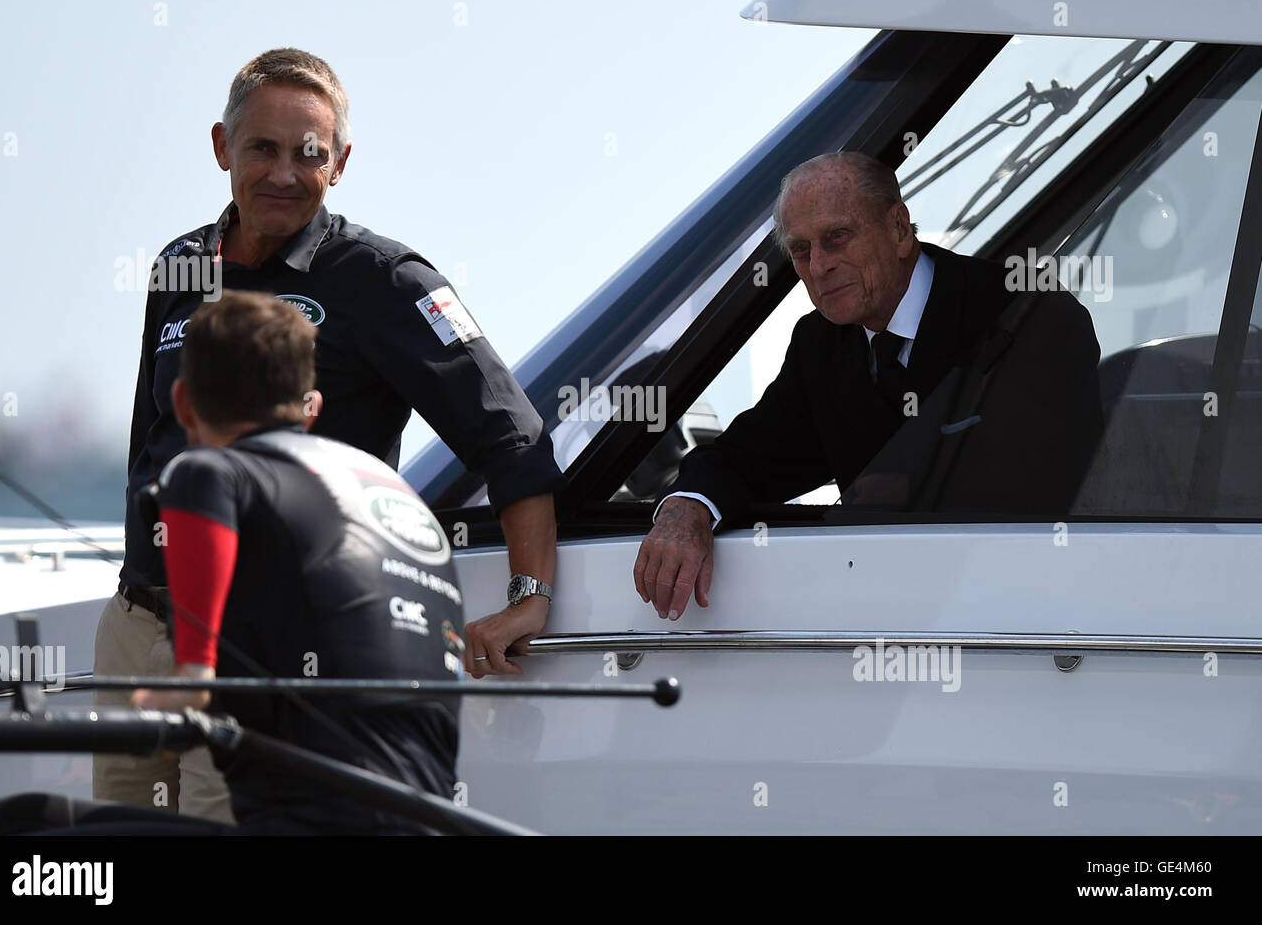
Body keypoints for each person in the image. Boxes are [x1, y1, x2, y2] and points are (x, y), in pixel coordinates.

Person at [96, 48, 561, 821]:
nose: (284, 172)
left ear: (340, 162)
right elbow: (153, 440)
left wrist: (529, 594)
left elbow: (511, 436)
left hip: (271, 649)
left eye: (309, 153)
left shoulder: (384, 278)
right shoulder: (178, 265)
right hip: (137, 624)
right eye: (263, 149)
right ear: (222, 148)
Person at [0, 291, 467, 835]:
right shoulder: (400, 498)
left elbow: (193, 672)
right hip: (430, 821)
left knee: (16, 825)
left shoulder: (206, 471)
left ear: (183, 404)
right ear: (313, 407)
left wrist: (188, 674)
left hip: (299, 825)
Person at [632, 151, 1103, 621]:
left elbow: (1051, 484)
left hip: (1037, 624)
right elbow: (750, 456)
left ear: (899, 229)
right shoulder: (820, 343)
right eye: (800, 249)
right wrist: (686, 510)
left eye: (837, 238)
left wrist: (905, 493)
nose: (818, 267)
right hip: (885, 621)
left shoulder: (1024, 313)